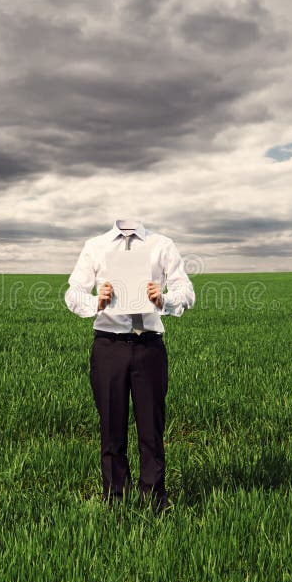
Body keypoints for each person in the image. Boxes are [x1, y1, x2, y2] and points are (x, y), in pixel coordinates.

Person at [65, 219, 195, 511]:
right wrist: (96, 302)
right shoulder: (95, 246)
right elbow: (72, 294)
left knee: (152, 428)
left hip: (149, 347)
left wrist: (164, 300)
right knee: (111, 428)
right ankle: (115, 501)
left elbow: (187, 292)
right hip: (108, 346)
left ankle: (154, 501)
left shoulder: (162, 245)